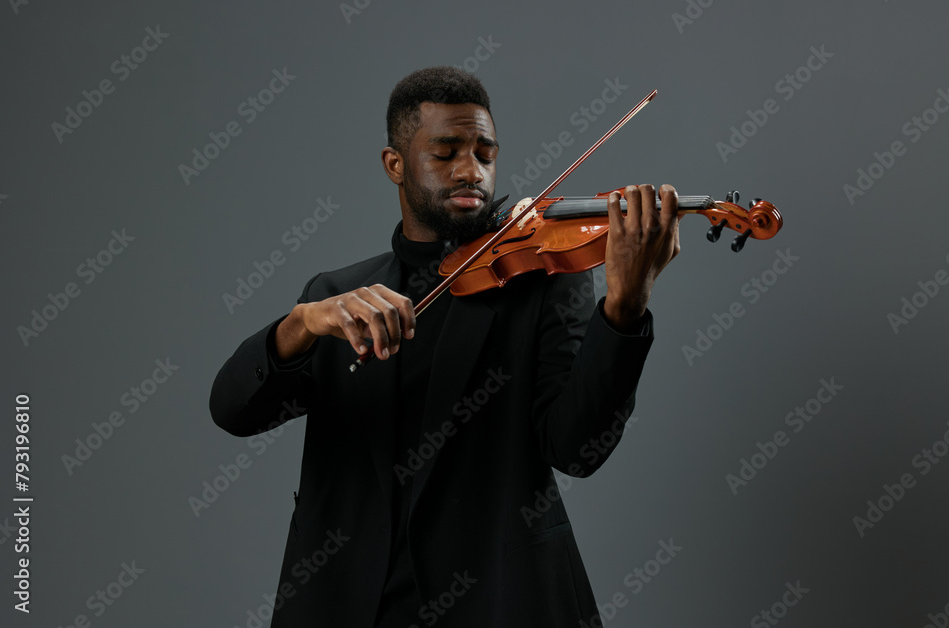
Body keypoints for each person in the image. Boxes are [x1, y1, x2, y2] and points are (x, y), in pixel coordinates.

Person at [209, 66, 681, 627]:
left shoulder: (541, 282)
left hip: (500, 601)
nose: (471, 170)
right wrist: (301, 323)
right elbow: (233, 411)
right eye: (446, 152)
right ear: (395, 165)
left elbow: (577, 449)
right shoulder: (335, 298)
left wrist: (624, 310)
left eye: (485, 152)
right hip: (349, 605)